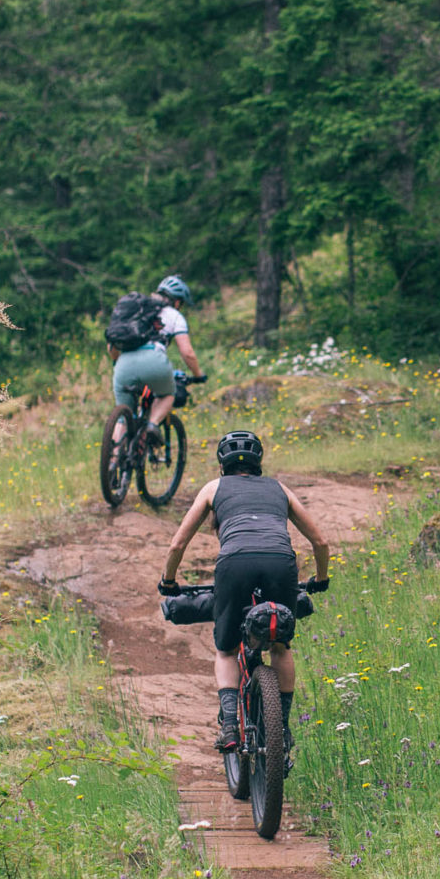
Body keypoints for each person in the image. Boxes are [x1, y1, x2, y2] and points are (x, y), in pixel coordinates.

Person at [159, 431, 331, 753]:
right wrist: (320, 579)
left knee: (226, 650)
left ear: (222, 464)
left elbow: (177, 543)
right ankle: (281, 727)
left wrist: (168, 581)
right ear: (259, 462)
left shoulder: (214, 488)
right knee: (280, 645)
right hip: (281, 564)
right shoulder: (279, 488)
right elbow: (320, 542)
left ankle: (229, 727)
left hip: (234, 565)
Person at [108, 275, 205, 451]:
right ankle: (153, 424)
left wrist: (117, 363)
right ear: (177, 302)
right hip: (154, 361)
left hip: (123, 364)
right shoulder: (174, 315)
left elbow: (112, 345)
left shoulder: (135, 310)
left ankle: (113, 463)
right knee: (168, 394)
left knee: (123, 420)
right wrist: (198, 375)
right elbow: (187, 352)